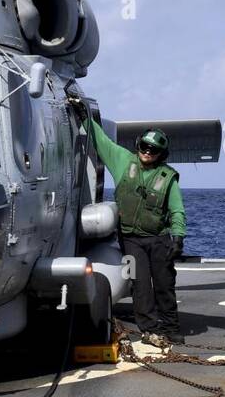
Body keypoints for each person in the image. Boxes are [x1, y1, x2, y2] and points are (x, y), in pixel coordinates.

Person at [70, 100, 186, 345]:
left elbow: (177, 210)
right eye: (145, 146)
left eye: (153, 150)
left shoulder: (168, 178)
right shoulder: (122, 160)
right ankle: (149, 329)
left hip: (159, 239)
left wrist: (178, 237)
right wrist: (84, 115)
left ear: (161, 154)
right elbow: (100, 139)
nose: (147, 151)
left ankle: (171, 326)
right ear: (138, 146)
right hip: (131, 239)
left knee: (164, 284)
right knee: (140, 283)